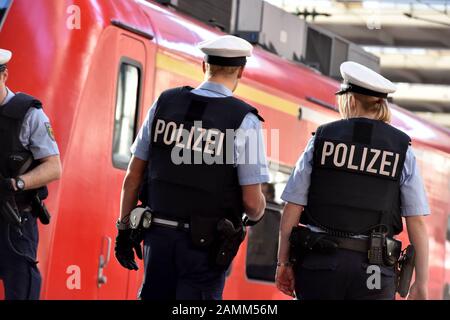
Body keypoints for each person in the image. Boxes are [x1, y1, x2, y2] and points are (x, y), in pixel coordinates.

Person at [114, 35, 270, 300]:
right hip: (204, 250)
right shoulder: (244, 120)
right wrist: (256, 214)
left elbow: (133, 177)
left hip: (157, 240)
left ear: (204, 66)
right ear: (241, 71)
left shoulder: (163, 104)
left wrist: (124, 231)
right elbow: (252, 204)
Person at [275, 61, 429, 300]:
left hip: (320, 264)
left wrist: (283, 262)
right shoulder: (401, 149)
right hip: (374, 270)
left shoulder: (321, 139)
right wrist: (422, 283)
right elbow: (416, 221)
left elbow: (292, 206)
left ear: (350, 100)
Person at [0, 48, 61, 300]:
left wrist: (17, 183)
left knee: (22, 291)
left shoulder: (29, 115)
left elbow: (53, 167)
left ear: (4, 75)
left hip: (16, 223)